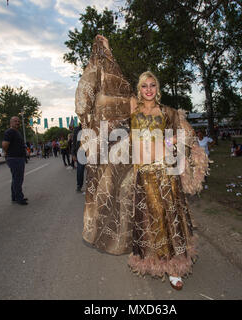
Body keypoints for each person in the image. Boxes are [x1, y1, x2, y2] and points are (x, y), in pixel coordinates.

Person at [75, 35, 208, 290]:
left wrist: (178, 154)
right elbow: (110, 88)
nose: (149, 89)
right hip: (142, 175)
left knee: (171, 220)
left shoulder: (168, 113)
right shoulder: (133, 110)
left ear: (158, 88)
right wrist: (106, 52)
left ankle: (174, 268)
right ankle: (158, 261)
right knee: (150, 221)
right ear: (139, 90)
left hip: (166, 174)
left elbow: (186, 137)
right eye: (144, 86)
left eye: (152, 85)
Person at [3, 116, 28, 205]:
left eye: (18, 121)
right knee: (18, 178)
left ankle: (15, 196)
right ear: (11, 122)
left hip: (19, 158)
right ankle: (19, 198)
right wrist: (8, 153)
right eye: (15, 121)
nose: (17, 122)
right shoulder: (9, 132)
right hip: (14, 158)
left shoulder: (17, 132)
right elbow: (5, 144)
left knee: (16, 178)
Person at [72, 122, 85, 192]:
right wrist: (73, 154)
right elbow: (74, 142)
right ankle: (79, 186)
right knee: (80, 170)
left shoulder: (92, 126)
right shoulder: (77, 129)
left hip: (91, 152)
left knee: (92, 171)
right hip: (80, 152)